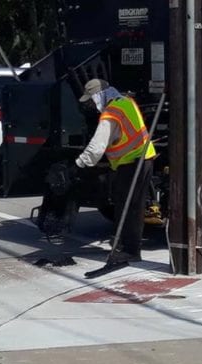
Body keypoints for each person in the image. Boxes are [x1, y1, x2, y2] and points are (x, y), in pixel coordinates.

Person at [75, 79, 156, 265]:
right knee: (130, 206)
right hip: (143, 158)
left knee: (128, 207)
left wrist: (79, 164)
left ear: (100, 95)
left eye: (91, 99)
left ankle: (131, 251)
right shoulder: (126, 102)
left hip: (133, 163)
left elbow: (97, 147)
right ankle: (127, 246)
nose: (91, 105)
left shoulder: (111, 113)